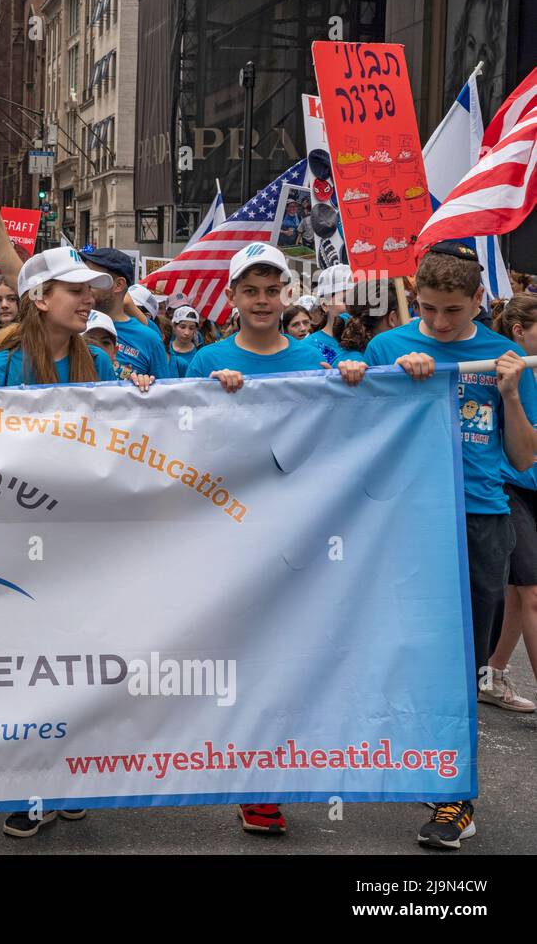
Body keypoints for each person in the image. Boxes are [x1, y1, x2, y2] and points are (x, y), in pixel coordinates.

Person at [187, 242, 369, 837]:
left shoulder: (318, 356)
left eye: (272, 291)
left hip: (303, 530)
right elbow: (176, 442)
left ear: (286, 294)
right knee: (244, 658)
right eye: (251, 291)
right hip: (229, 533)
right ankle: (250, 780)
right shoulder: (204, 360)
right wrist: (212, 396)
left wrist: (352, 379)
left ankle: (278, 774)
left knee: (294, 655)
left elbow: (346, 427)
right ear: (233, 297)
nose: (263, 301)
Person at [362, 242, 537, 850]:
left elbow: (522, 456)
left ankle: (457, 795)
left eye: (454, 311)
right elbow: (361, 434)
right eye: (429, 308)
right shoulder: (388, 346)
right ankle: (404, 762)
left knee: (466, 655)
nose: (439, 323)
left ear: (479, 302)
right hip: (403, 513)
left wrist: (511, 392)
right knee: (399, 647)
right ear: (414, 294)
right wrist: (378, 377)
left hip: (480, 515)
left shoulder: (505, 354)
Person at [489, 293, 537, 712]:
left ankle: (494, 672)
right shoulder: (506, 368)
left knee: (519, 596)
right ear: (519, 332)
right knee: (531, 591)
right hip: (510, 486)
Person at [0, 248, 118, 389]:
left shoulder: (98, 361)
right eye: (76, 290)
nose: (90, 300)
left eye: (89, 290)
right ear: (41, 299)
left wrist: (138, 388)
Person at [79, 248, 172, 379]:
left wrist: (143, 385)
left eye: (95, 279)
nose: (86, 284)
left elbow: (162, 395)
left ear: (118, 285)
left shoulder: (149, 340)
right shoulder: (73, 324)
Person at [304, 265, 355, 364]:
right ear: (325, 305)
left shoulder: (370, 342)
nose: (353, 306)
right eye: (345, 300)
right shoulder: (307, 347)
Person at [168, 305, 200, 376]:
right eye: (182, 327)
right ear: (174, 326)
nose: (187, 333)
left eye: (191, 328)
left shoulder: (199, 354)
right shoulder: (165, 349)